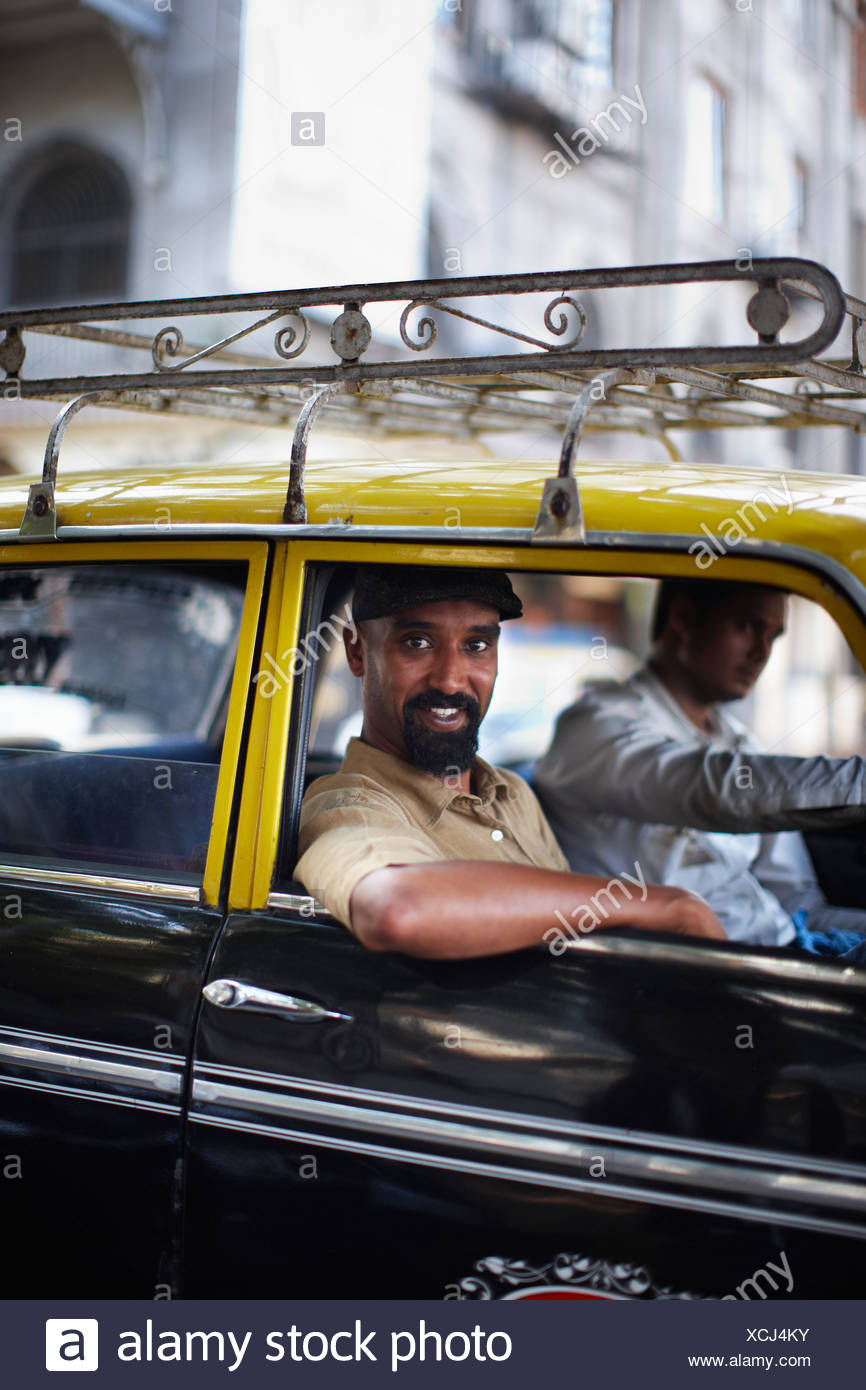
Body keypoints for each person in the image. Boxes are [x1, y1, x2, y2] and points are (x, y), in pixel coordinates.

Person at [293, 565, 725, 959]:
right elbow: (399, 910)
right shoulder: (348, 805)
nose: (450, 678)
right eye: (417, 643)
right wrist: (665, 905)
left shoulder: (510, 792)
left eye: (476, 645)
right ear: (357, 652)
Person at [534, 578, 866, 958]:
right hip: (684, 977)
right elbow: (714, 791)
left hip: (784, 947)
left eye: (773, 637)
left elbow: (796, 901)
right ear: (685, 618)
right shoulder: (597, 725)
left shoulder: (739, 741)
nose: (762, 652)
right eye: (747, 627)